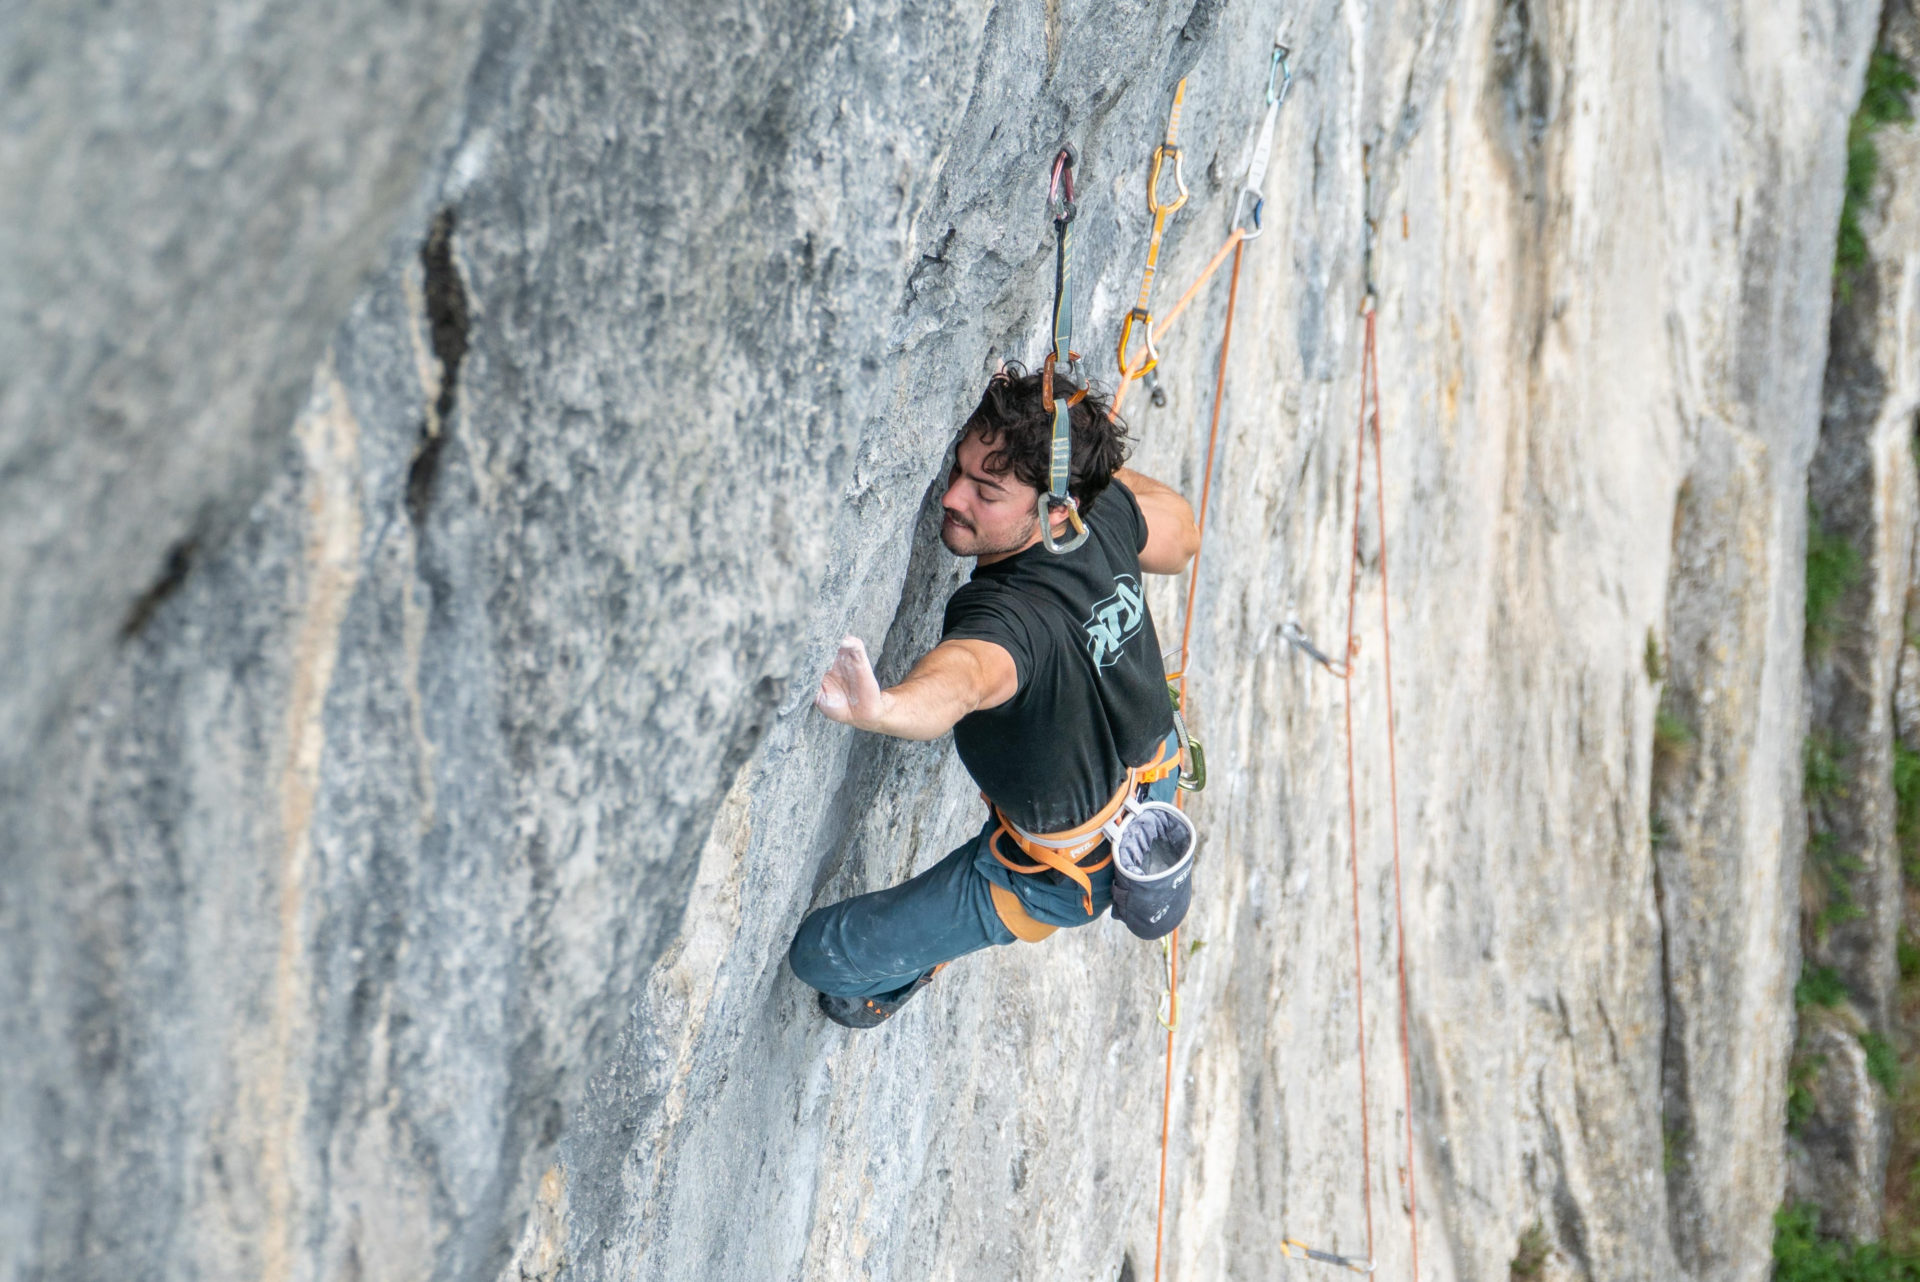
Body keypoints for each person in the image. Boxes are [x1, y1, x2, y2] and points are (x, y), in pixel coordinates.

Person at [787, 362, 1202, 1028]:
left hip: (1057, 872)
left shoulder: (1008, 619)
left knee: (823, 958)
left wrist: (883, 708)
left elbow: (967, 676)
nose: (953, 497)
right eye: (960, 471)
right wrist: (1076, 462)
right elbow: (1181, 536)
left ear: (1055, 509)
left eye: (987, 490)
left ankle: (893, 981)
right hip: (1157, 774)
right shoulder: (1104, 512)